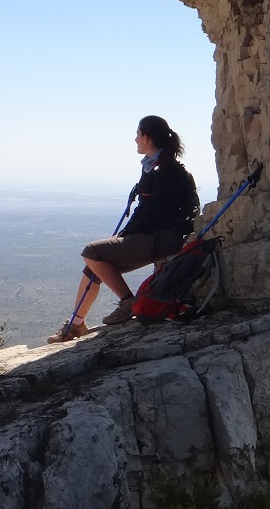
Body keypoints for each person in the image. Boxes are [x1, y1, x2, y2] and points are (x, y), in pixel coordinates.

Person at [53, 115, 198, 342]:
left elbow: (151, 214)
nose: (135, 140)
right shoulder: (159, 167)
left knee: (92, 252)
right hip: (161, 235)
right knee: (94, 268)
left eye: (138, 135)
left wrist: (124, 237)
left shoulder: (164, 171)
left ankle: (128, 302)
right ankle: (76, 325)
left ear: (146, 137)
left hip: (161, 238)